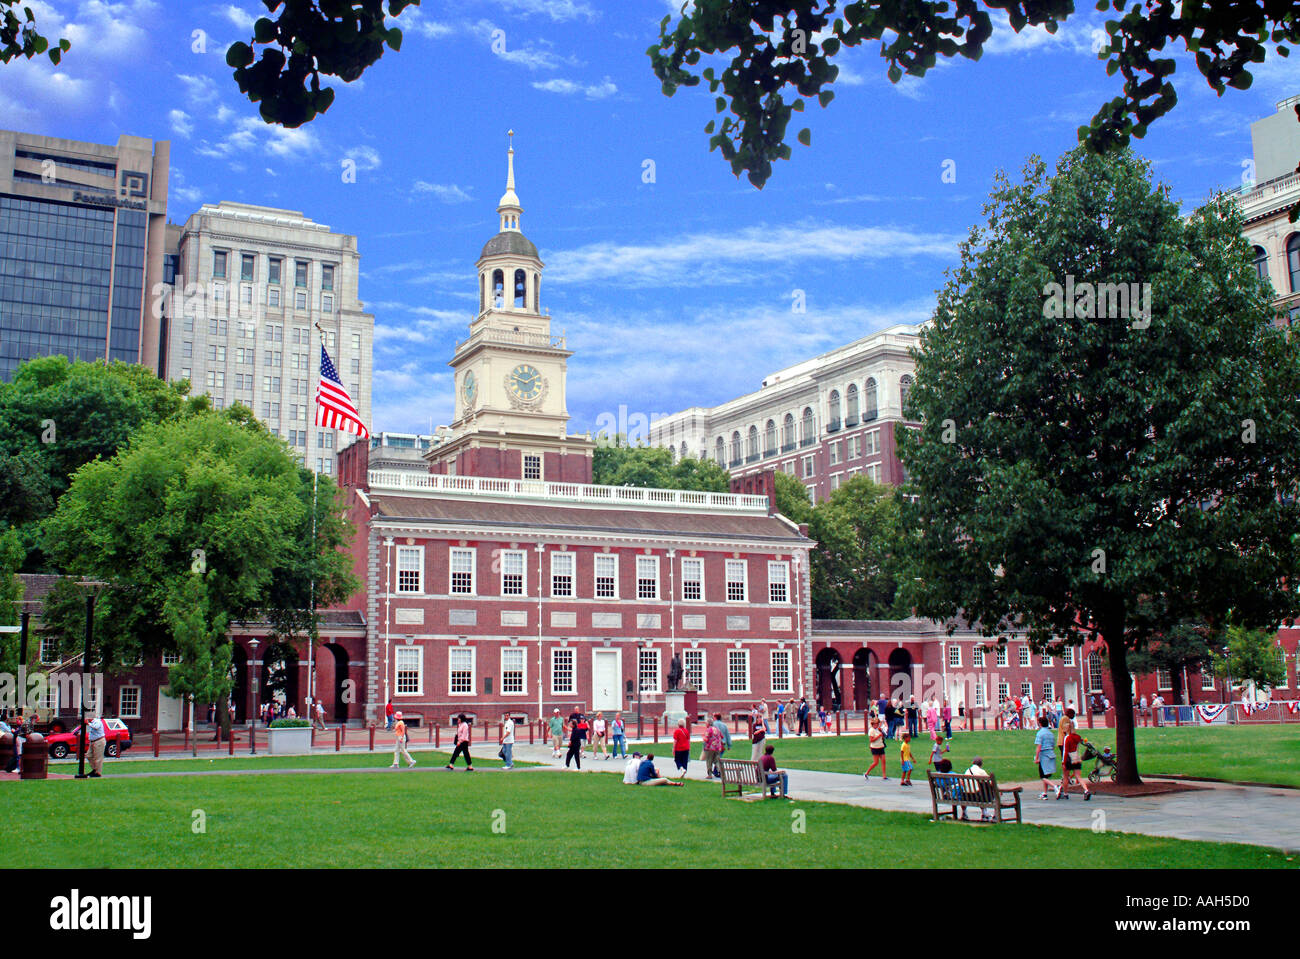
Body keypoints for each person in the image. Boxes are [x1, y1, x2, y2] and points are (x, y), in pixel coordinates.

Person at [1058, 727, 1091, 800]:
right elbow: (1083, 741)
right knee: (1078, 776)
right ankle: (1086, 790)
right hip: (1076, 757)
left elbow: (1065, 751)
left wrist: (1063, 762)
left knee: (1065, 777)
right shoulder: (1077, 737)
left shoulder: (1067, 738)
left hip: (1069, 759)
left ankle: (1065, 794)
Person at [963, 756, 994, 821]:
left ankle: (964, 813)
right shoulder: (981, 771)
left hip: (967, 796)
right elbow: (991, 783)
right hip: (978, 797)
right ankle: (991, 814)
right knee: (992, 792)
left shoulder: (967, 770)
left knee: (981, 791)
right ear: (981, 764)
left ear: (973, 762)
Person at [1034, 714, 1056, 800]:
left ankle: (1055, 787)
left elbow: (1039, 747)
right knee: (1046, 776)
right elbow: (1053, 746)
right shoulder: (1051, 734)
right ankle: (1045, 793)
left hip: (1043, 756)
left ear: (1040, 724)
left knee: (1042, 776)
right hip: (1051, 754)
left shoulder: (1040, 733)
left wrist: (1036, 758)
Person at [85, 713, 107, 778]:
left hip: (99, 741)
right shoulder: (91, 723)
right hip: (92, 742)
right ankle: (95, 769)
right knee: (89, 755)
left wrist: (88, 724)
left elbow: (96, 727)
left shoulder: (97, 721)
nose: (87, 719)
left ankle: (97, 773)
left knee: (98, 758)